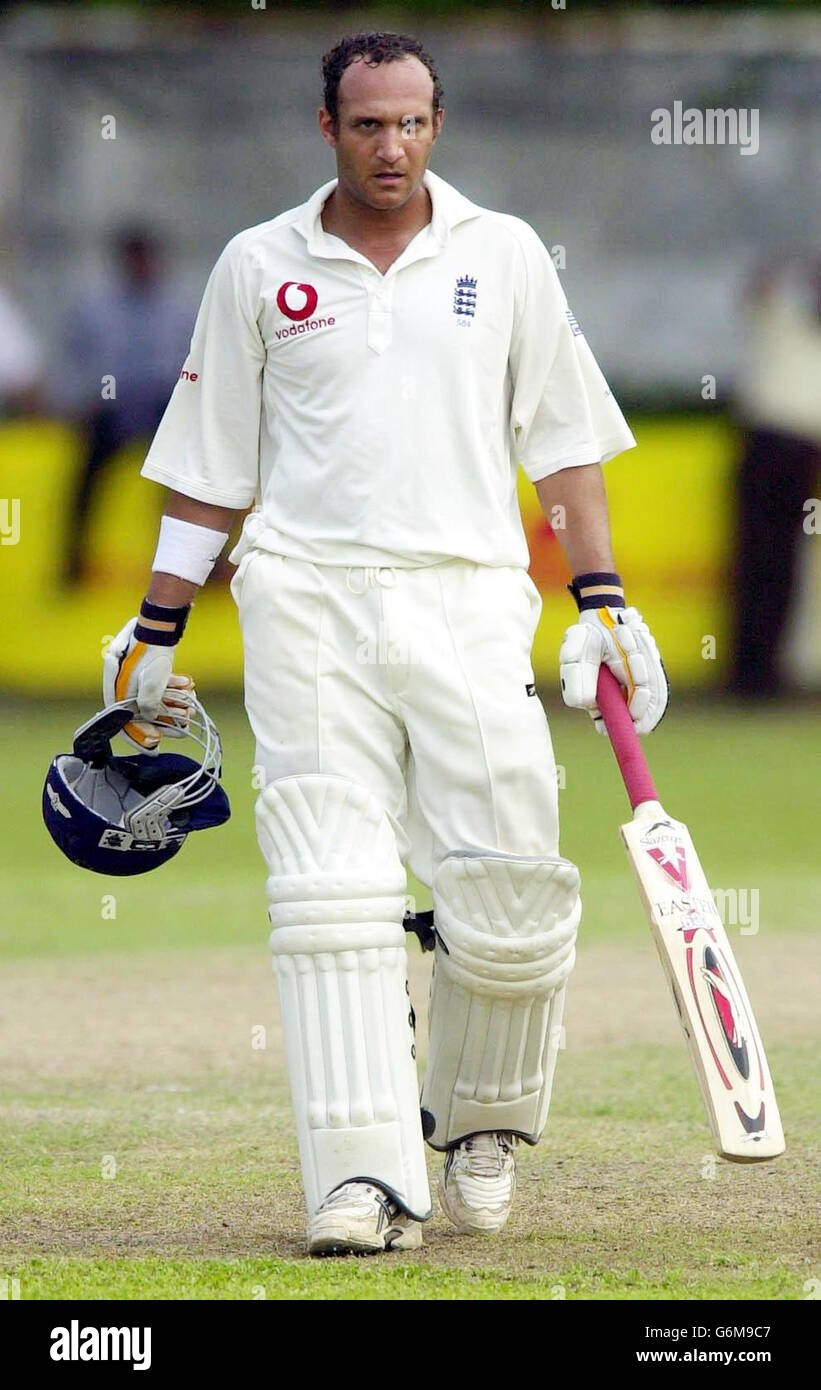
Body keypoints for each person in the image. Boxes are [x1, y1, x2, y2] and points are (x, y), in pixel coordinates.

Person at [104, 31, 668, 1256]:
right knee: (330, 896)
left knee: (512, 893)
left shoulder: (504, 254)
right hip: (304, 597)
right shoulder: (259, 263)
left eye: (411, 122)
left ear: (437, 123)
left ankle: (476, 1122)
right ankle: (358, 1181)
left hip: (466, 595)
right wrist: (153, 630)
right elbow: (210, 466)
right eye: (367, 125)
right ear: (327, 129)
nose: (391, 146)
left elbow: (562, 442)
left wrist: (602, 597)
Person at [63, 227, 193, 584]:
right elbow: (75, 359)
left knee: (188, 482)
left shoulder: (180, 306)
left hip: (163, 405)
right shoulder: (96, 306)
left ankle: (190, 564)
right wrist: (81, 402)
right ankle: (73, 562)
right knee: (85, 483)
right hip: (111, 406)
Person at [728, 254, 821, 696]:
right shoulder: (783, 316)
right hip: (767, 444)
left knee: (784, 566)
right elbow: (754, 294)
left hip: (803, 452)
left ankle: (766, 673)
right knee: (755, 559)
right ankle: (747, 671)